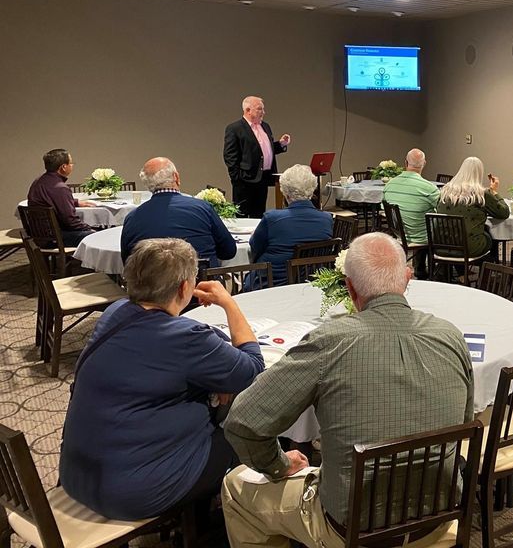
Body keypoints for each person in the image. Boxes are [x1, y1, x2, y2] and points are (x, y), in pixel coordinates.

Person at [220, 232, 474, 548]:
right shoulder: (450, 336)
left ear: (349, 287)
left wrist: (280, 466)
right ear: (407, 279)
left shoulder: (331, 340)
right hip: (437, 518)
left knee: (235, 487)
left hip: (352, 529)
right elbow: (464, 425)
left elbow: (243, 423)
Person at [59, 238, 264, 520]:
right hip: (135, 492)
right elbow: (252, 370)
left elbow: (151, 367)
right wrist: (229, 304)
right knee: (245, 435)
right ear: (184, 287)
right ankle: (216, 525)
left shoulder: (114, 313)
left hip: (77, 476)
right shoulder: (186, 338)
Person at [121, 157, 236, 267]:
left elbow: (128, 262)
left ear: (147, 184)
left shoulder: (132, 218)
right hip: (201, 284)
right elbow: (229, 251)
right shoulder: (203, 208)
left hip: (151, 286)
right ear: (176, 177)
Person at [247, 164, 333, 287]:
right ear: (312, 191)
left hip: (270, 283)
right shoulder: (326, 219)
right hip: (312, 282)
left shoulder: (272, 218)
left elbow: (254, 247)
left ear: (286, 194)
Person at [223, 95, 291, 218]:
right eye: (260, 109)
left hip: (262, 179)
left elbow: (264, 151)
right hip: (244, 181)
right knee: (242, 216)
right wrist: (236, 178)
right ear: (248, 110)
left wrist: (280, 144)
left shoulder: (265, 126)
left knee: (259, 214)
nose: (263, 112)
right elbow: (229, 156)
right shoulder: (235, 128)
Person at [436, 156, 509, 259]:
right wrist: (494, 192)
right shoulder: (481, 194)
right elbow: (504, 212)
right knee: (491, 236)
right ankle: (488, 271)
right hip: (469, 248)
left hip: (441, 245)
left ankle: (457, 270)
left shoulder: (445, 191)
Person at [382, 148, 439, 277]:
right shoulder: (429, 188)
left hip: (398, 233)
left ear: (405, 163)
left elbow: (384, 207)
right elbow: (440, 208)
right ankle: (437, 272)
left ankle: (419, 268)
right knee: (436, 225)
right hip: (422, 236)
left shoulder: (389, 185)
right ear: (424, 164)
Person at [26, 148, 97, 246]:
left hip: (39, 235)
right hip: (54, 238)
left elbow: (51, 201)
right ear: (63, 167)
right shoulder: (60, 187)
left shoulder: (38, 181)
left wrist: (75, 202)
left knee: (96, 231)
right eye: (71, 163)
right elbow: (70, 222)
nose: (72, 165)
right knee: (97, 235)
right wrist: (91, 229)